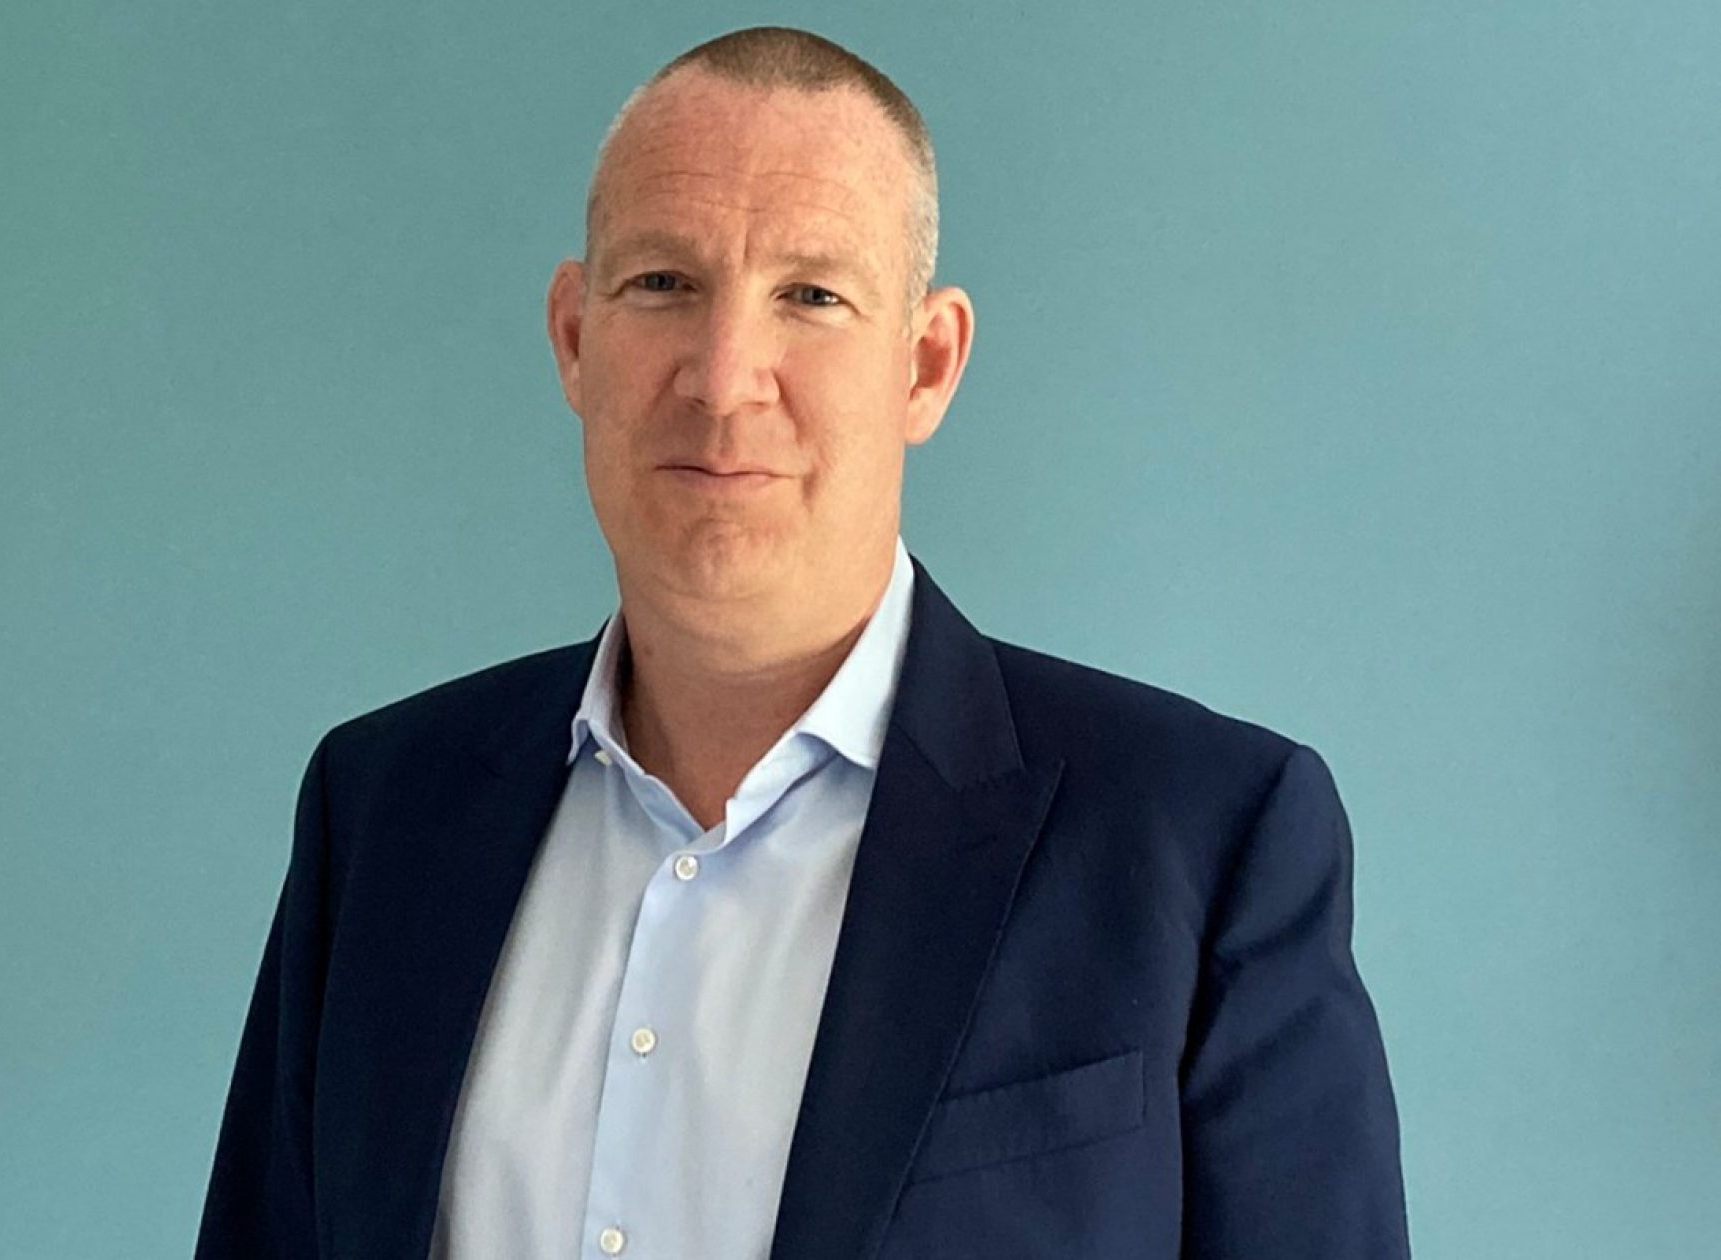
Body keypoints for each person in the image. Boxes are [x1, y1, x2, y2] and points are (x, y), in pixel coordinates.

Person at [196, 25, 1410, 1260]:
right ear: (574, 338)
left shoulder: (1202, 838)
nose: (725, 378)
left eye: (812, 296)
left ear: (926, 365)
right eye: (662, 284)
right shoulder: (382, 815)